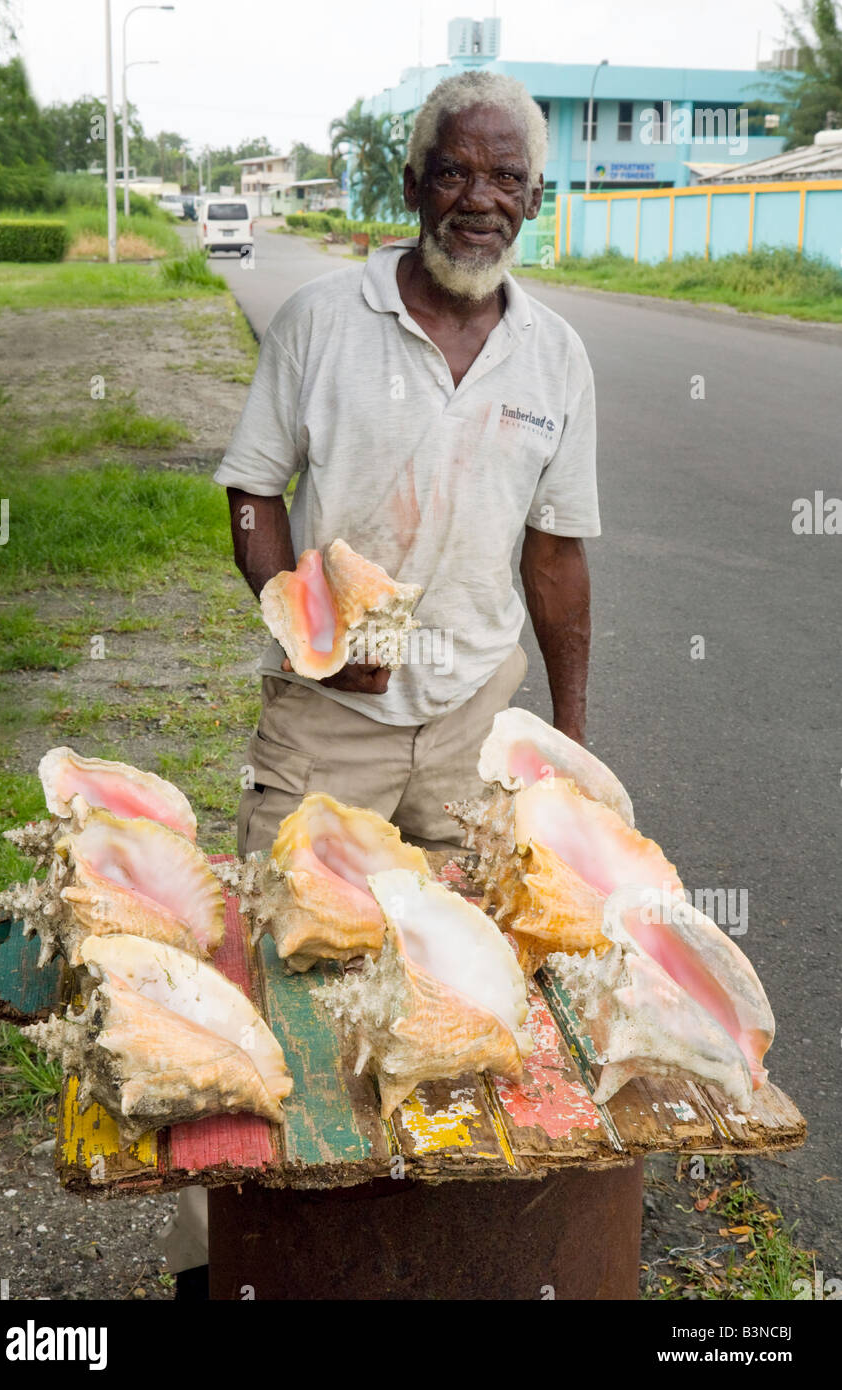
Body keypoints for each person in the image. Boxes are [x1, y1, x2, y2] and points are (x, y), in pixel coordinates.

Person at [163, 67, 600, 1296]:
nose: (479, 200)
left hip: (469, 730)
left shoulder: (554, 357)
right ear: (411, 184)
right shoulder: (320, 322)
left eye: (505, 178)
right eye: (455, 172)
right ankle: (225, 1263)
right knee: (270, 989)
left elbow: (556, 559)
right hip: (325, 726)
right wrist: (299, 617)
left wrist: (570, 756)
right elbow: (251, 488)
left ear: (533, 199)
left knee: (476, 986)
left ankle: (430, 1253)